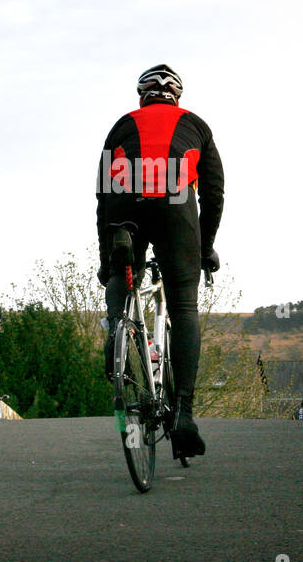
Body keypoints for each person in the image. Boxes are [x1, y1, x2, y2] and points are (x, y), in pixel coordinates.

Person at [96, 64, 224, 457]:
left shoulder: (123, 124)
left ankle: (116, 326)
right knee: (184, 304)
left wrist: (105, 259)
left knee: (122, 269)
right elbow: (214, 194)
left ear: (142, 98)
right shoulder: (196, 125)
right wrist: (205, 249)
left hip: (124, 205)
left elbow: (102, 191)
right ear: (177, 98)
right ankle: (184, 411)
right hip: (175, 205)